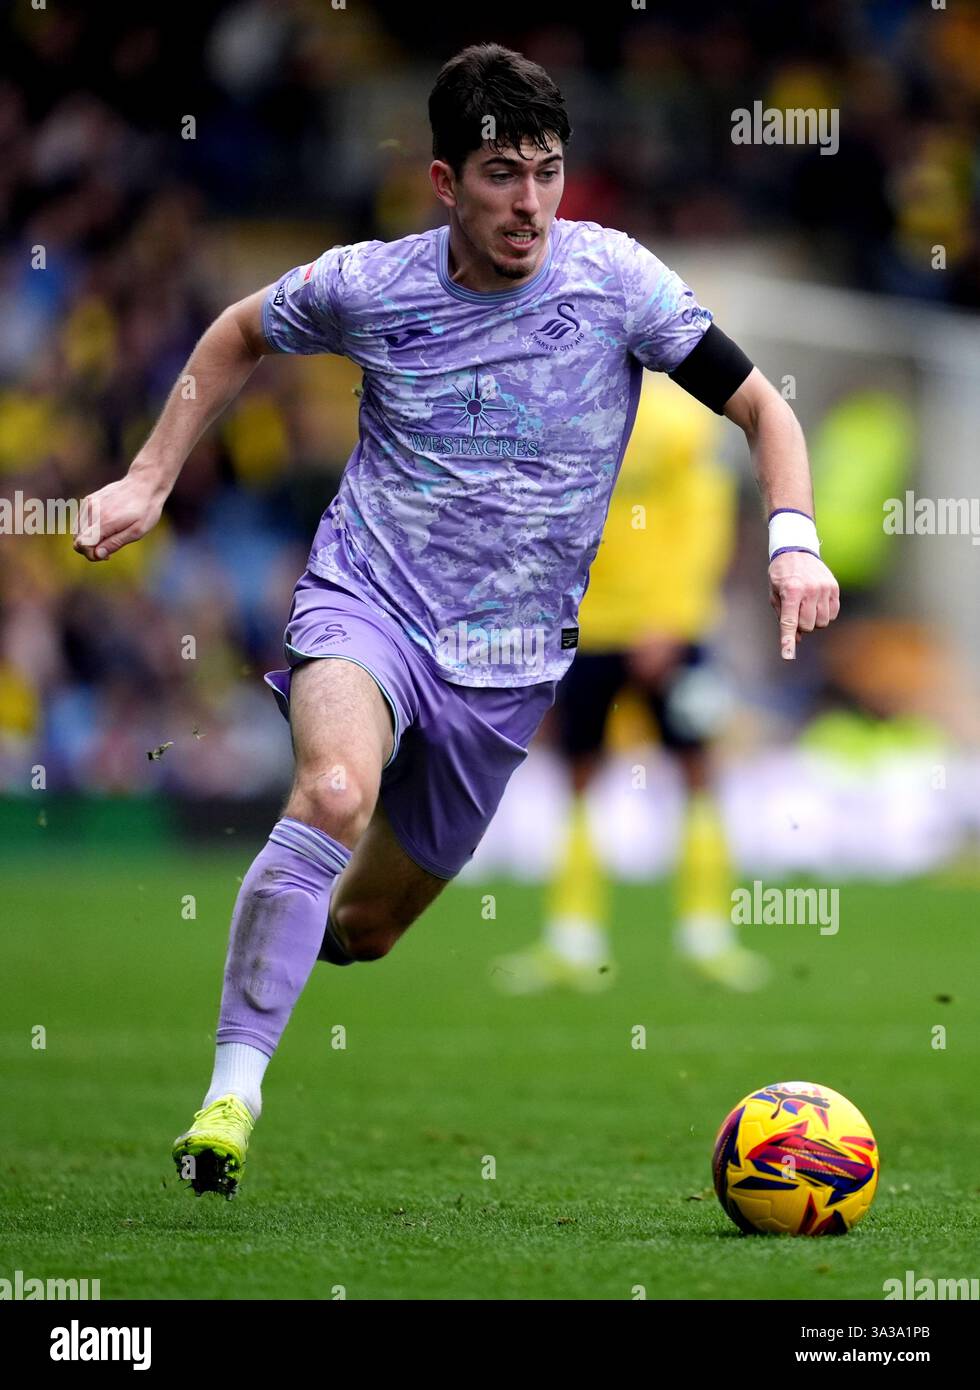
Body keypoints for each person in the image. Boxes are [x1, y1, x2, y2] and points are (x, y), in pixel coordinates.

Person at [72, 44, 840, 1197]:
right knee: (334, 788)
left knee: (366, 930)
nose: (528, 201)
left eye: (545, 170)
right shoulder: (370, 287)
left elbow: (758, 406)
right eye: (498, 174)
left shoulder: (614, 283)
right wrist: (147, 478)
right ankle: (231, 1092)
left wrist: (791, 537)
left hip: (507, 663)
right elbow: (235, 331)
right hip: (368, 601)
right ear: (444, 183)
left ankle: (272, 936)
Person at [493, 373, 770, 995]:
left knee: (697, 767)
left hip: (670, 630)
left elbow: (705, 520)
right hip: (588, 630)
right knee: (579, 773)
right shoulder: (557, 417)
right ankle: (574, 940)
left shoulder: (679, 420)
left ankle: (706, 936)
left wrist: (670, 616)